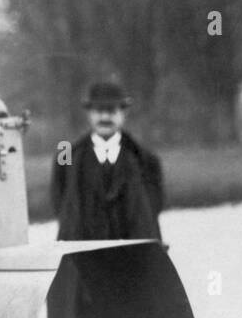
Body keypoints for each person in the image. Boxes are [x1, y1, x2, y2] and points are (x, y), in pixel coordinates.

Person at [52, 81, 165, 242]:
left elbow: (154, 207)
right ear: (89, 114)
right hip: (83, 254)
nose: (105, 117)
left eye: (112, 111)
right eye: (99, 111)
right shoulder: (67, 155)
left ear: (123, 114)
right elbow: (60, 202)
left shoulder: (145, 158)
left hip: (132, 256)